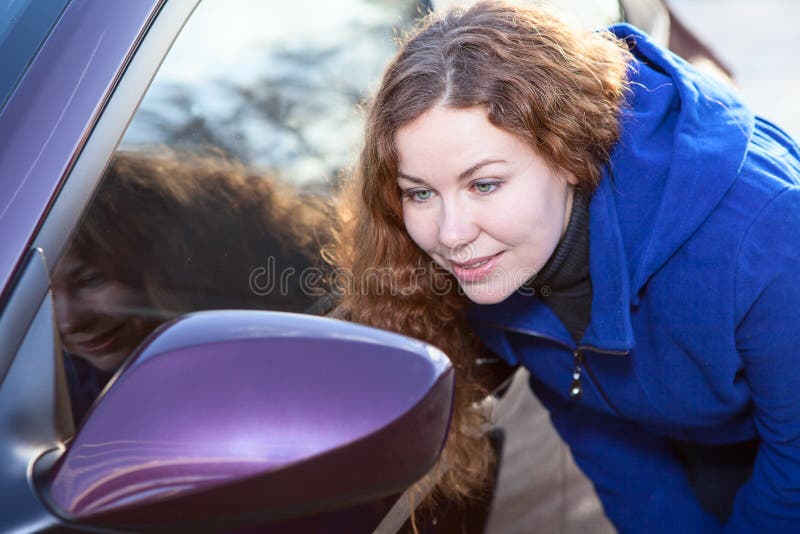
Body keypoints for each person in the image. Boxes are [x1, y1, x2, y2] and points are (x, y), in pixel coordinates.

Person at [331, 1, 800, 532]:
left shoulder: (766, 234)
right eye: (419, 193)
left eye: (484, 184)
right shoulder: (491, 259)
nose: (451, 234)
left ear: (569, 156)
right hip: (679, 434)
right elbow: (593, 417)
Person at [53, 148, 332, 420]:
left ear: (171, 262)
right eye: (44, 296)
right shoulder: (43, 396)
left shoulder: (299, 341)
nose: (69, 321)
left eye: (91, 280)